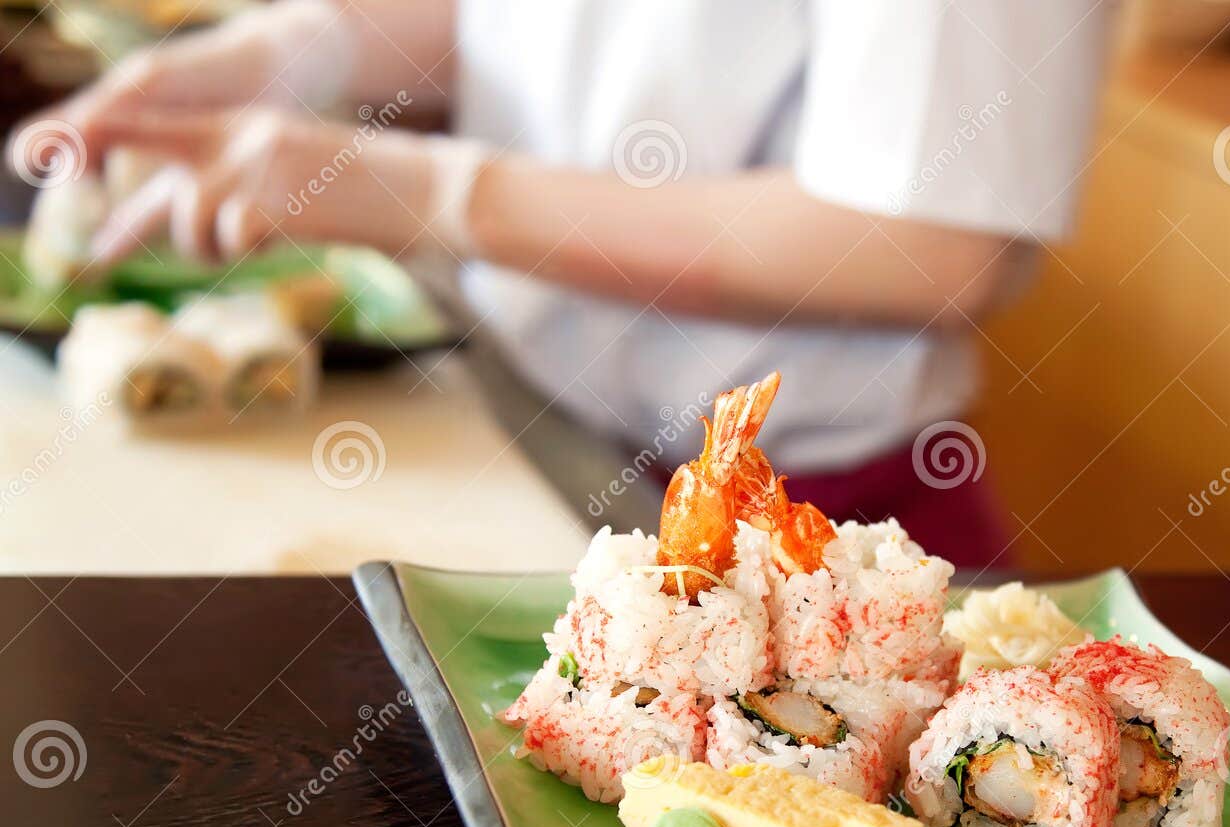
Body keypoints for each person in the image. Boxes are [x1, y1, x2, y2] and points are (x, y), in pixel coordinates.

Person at [23, 0, 1113, 566]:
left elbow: (928, 242)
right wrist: (287, 52)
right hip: (530, 436)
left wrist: (428, 193)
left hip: (804, 523)